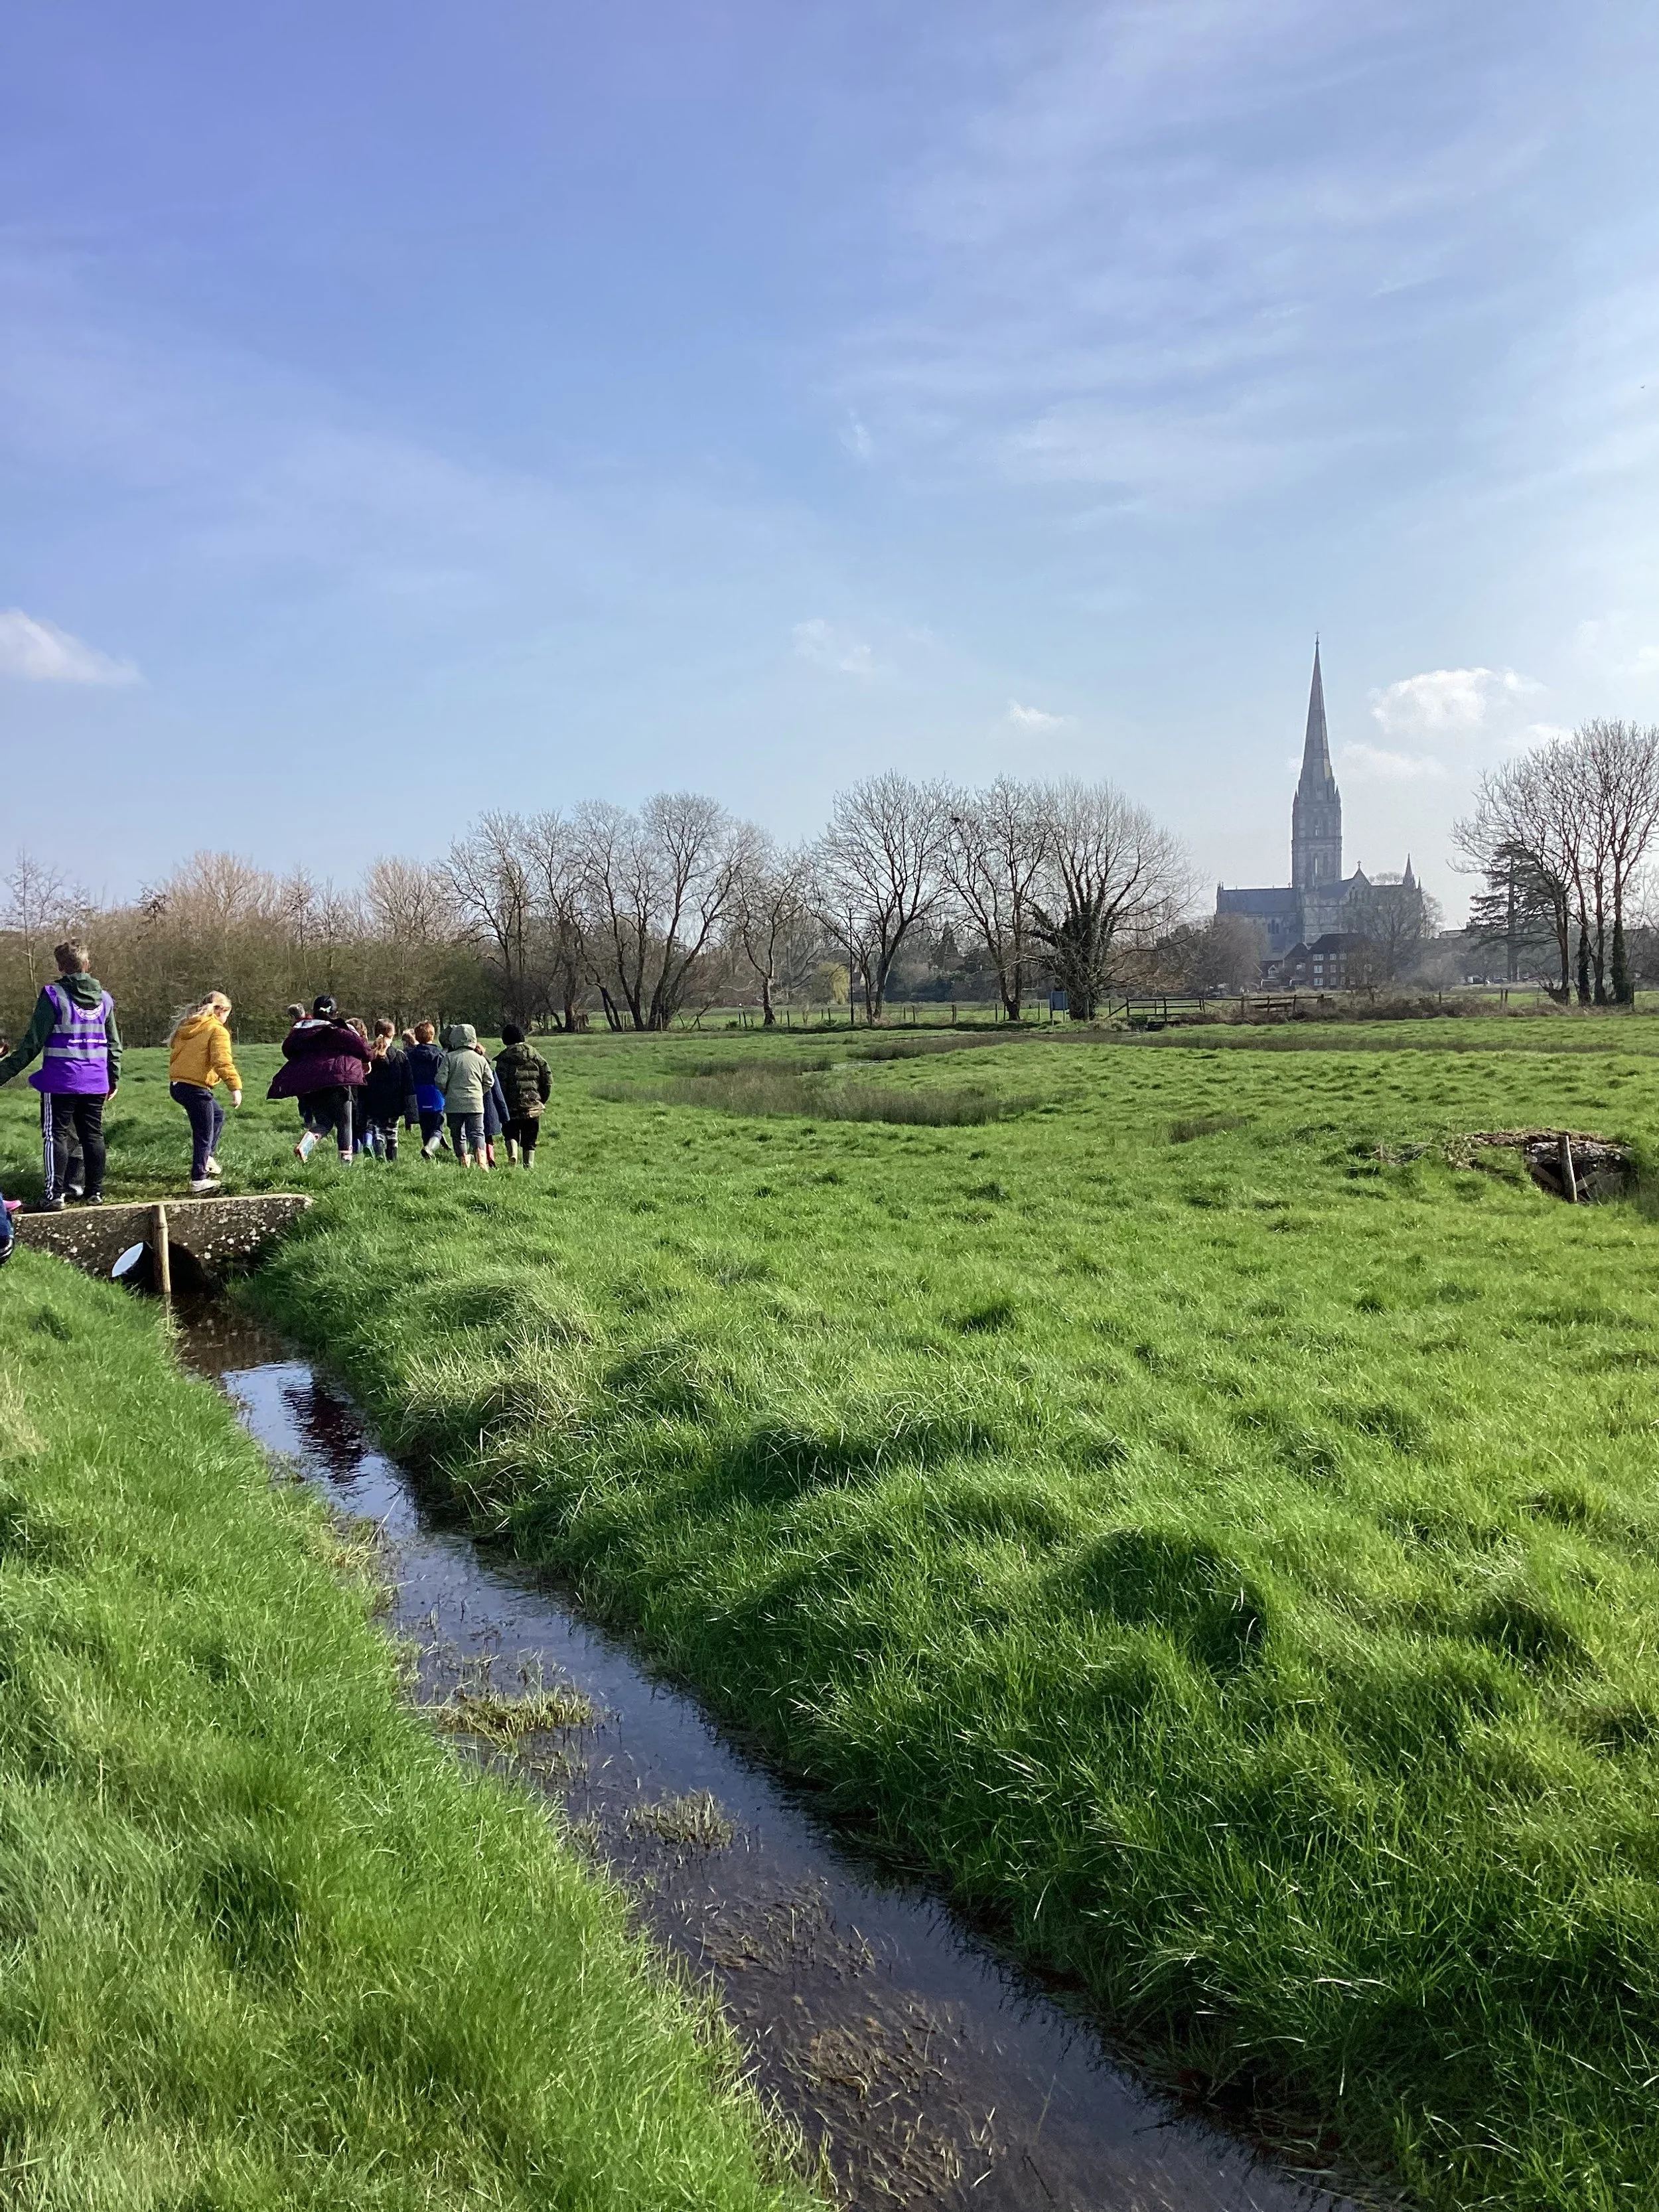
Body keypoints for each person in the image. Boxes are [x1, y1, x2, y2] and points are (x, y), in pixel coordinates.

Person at [0, 939, 122, 1210]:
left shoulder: (53, 995)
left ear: (60, 967)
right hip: (95, 1080)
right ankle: (95, 1192)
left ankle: (54, 1195)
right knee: (93, 1135)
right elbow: (114, 1043)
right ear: (88, 965)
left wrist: (4, 1072)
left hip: (61, 1080)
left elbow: (32, 1044)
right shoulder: (105, 999)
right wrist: (113, 1077)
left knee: (54, 1135)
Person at [267, 994, 372, 1163]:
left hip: (310, 1083)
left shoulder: (302, 1030)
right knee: (345, 1122)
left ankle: (305, 1145)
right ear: (335, 1012)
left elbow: (287, 1049)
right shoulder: (339, 1029)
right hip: (338, 1081)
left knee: (324, 1121)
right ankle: (345, 1163)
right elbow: (364, 1049)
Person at [169, 991, 242, 1194]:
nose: (227, 1017)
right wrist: (235, 1087)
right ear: (220, 1011)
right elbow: (222, 1061)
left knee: (217, 1115)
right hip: (196, 1088)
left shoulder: (188, 1025)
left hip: (178, 1085)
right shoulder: (216, 1030)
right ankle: (199, 1179)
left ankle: (207, 1157)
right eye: (227, 1012)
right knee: (203, 1133)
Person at [495, 1023, 551, 1167]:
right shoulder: (535, 1055)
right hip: (532, 1104)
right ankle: (529, 1164)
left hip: (511, 1105)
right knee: (530, 1136)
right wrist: (541, 1099)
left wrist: (502, 1102)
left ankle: (513, 1155)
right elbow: (547, 1078)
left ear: (505, 1040)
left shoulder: (504, 1059)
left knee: (510, 1132)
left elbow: (501, 1083)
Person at [360, 1019, 415, 1160]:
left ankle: (378, 1151)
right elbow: (408, 1083)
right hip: (395, 1102)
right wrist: (410, 1105)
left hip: (373, 1100)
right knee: (392, 1131)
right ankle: (392, 1160)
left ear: (374, 1032)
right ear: (393, 1034)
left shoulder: (369, 1055)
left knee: (377, 1128)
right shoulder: (401, 1056)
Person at [438, 1021, 490, 1168]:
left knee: (457, 1134)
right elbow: (489, 1081)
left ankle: (463, 1161)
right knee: (478, 1133)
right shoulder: (480, 1059)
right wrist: (480, 1092)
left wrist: (447, 1092)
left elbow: (440, 1080)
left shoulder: (449, 1058)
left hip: (454, 1103)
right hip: (475, 1103)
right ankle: (482, 1163)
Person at [406, 1020, 449, 1157]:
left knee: (425, 1127)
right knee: (438, 1127)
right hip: (436, 1094)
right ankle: (430, 1148)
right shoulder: (441, 1056)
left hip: (418, 1094)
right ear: (432, 1035)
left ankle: (427, 1151)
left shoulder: (410, 1056)